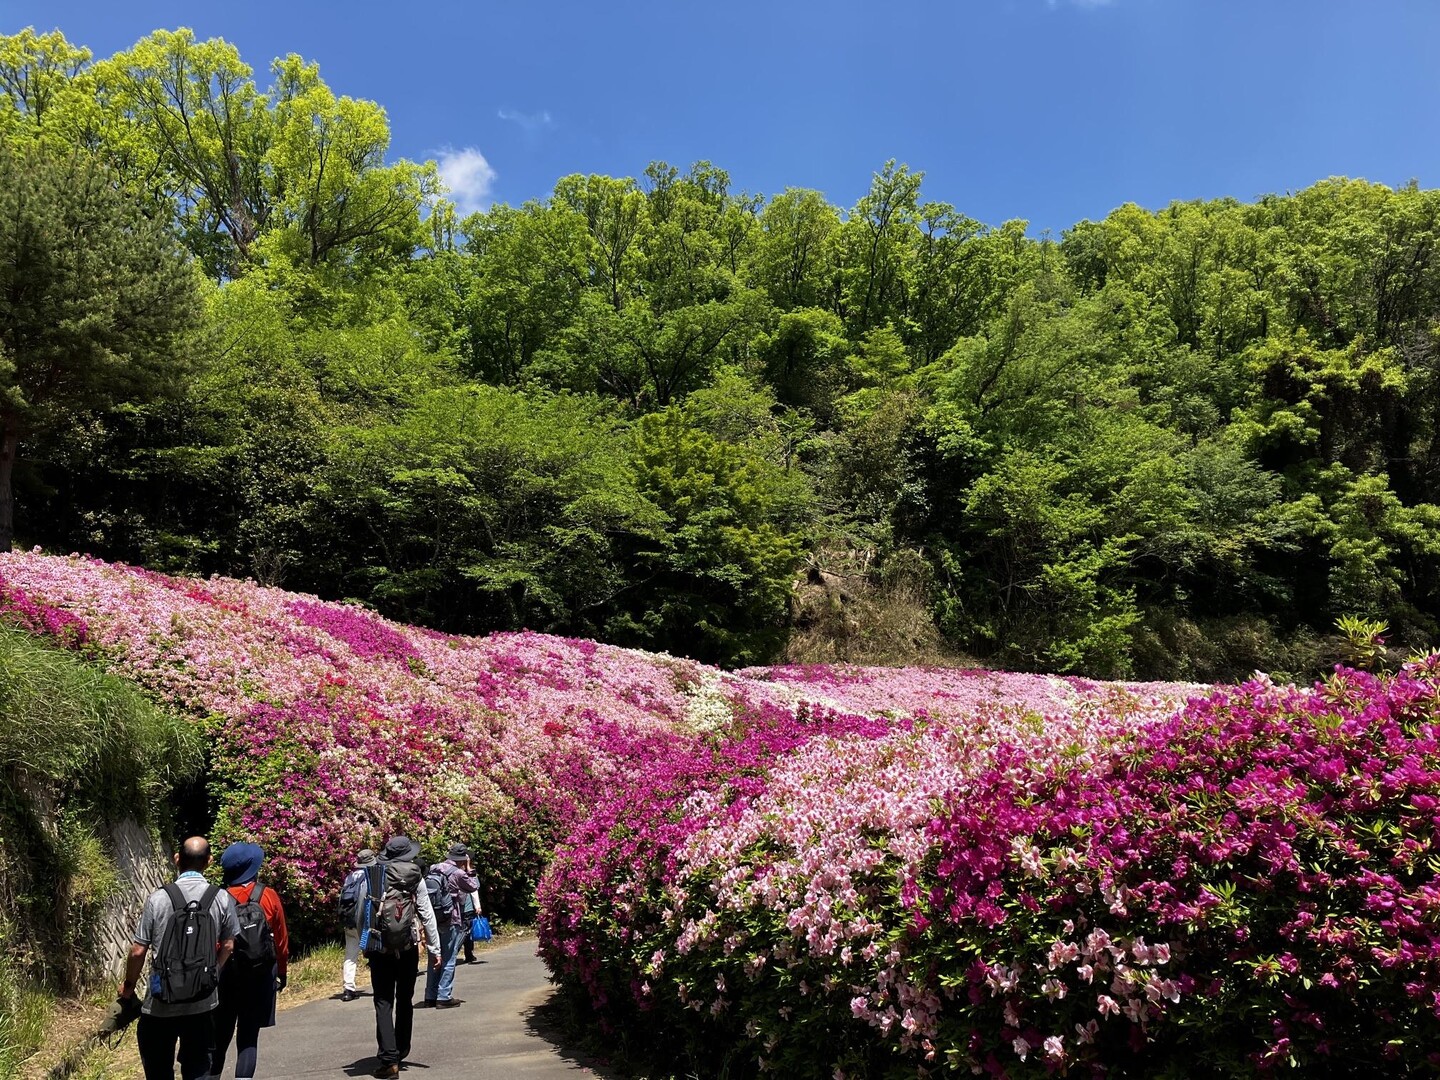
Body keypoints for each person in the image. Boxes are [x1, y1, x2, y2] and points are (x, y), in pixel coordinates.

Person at [119, 837, 240, 1080]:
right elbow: (228, 945)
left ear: (177, 859)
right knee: (198, 1068)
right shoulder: (221, 898)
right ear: (209, 861)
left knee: (158, 1069)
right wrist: (213, 972)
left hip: (160, 1001)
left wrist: (128, 987)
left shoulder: (158, 898)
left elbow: (138, 951)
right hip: (203, 1002)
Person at [356, 835, 440, 1079]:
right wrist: (435, 949)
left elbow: (362, 912)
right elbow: (427, 913)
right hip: (408, 947)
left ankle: (389, 1059)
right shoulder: (416, 876)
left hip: (380, 948)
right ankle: (401, 1050)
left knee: (383, 1001)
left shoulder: (373, 876)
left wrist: (365, 943)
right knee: (405, 999)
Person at [210, 842, 289, 1079]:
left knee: (220, 1034)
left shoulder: (219, 898)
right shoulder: (268, 895)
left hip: (228, 975)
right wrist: (281, 971)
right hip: (260, 974)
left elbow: (214, 941)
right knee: (248, 1035)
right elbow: (281, 939)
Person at [422, 844, 479, 1008]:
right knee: (449, 957)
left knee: (434, 956)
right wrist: (469, 868)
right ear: (463, 858)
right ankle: (444, 996)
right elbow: (473, 886)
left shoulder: (434, 868)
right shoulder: (458, 873)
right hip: (451, 918)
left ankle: (430, 995)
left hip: (433, 918)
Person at [341, 848, 377, 1001]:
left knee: (350, 955)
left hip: (350, 922)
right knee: (374, 953)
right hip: (365, 922)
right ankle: (379, 985)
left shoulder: (350, 877)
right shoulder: (371, 878)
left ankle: (348, 989)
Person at [460, 879, 483, 964]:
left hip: (456, 909)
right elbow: (474, 890)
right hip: (468, 908)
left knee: (460, 932)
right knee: (467, 933)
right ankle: (468, 955)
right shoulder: (471, 875)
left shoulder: (452, 873)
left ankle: (466, 954)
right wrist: (477, 906)